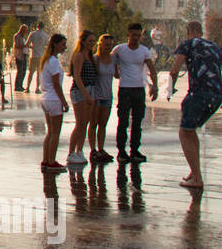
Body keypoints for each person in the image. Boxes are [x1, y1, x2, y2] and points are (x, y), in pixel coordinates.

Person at [169, 20, 222, 188]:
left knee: (184, 132)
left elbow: (174, 70)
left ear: (187, 31)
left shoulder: (186, 45)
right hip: (216, 96)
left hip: (198, 94)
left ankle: (197, 178)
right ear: (200, 31)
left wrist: (170, 90)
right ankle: (195, 172)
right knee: (190, 130)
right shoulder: (214, 46)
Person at [111, 23, 158, 165]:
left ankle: (134, 150)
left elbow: (152, 69)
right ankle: (121, 151)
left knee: (137, 122)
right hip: (125, 89)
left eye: (139, 35)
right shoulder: (120, 49)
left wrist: (154, 87)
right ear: (128, 34)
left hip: (139, 89)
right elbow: (110, 61)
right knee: (123, 121)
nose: (136, 38)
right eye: (134, 35)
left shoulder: (144, 51)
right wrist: (116, 72)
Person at [66, 30, 97, 165]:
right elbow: (77, 77)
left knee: (85, 123)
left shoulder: (90, 56)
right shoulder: (79, 56)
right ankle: (71, 152)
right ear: (83, 41)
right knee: (80, 124)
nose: (92, 43)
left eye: (94, 41)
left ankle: (79, 150)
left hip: (90, 90)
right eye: (90, 41)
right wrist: (86, 95)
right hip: (80, 91)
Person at [38, 33, 68, 172]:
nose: (65, 47)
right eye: (63, 44)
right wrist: (64, 101)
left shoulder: (46, 60)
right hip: (54, 99)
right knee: (56, 132)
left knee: (50, 132)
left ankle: (45, 160)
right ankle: (51, 161)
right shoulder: (54, 61)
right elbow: (56, 83)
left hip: (45, 98)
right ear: (55, 44)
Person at [86, 34, 117, 163]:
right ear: (100, 45)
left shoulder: (113, 60)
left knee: (103, 124)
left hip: (107, 96)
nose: (108, 47)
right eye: (105, 44)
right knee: (93, 123)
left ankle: (101, 149)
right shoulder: (94, 59)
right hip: (96, 96)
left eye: (110, 45)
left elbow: (117, 74)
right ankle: (93, 150)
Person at [25, 22, 49, 94]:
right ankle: (37, 88)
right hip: (41, 56)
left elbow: (26, 44)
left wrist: (32, 47)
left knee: (31, 72)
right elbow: (47, 46)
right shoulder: (46, 35)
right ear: (43, 27)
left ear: (37, 26)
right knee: (39, 73)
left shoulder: (32, 33)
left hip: (33, 55)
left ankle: (28, 88)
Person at [12, 24, 29, 91]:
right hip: (19, 56)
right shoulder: (17, 36)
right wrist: (24, 46)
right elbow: (16, 46)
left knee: (24, 71)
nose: (25, 32)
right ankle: (17, 86)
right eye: (25, 30)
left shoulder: (23, 37)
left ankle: (20, 85)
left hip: (24, 55)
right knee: (20, 71)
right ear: (22, 29)